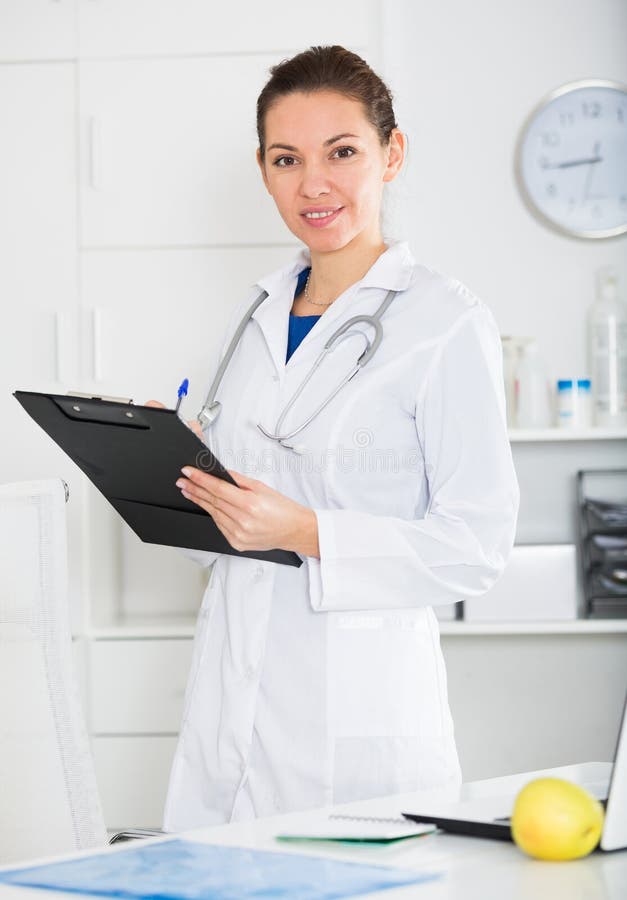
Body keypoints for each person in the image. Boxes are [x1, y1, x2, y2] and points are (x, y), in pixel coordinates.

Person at [159, 45, 519, 831]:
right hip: (230, 712)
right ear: (261, 169)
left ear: (391, 155)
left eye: (342, 152)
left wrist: (308, 533)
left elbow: (475, 546)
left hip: (358, 726)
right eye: (286, 159)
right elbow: (221, 534)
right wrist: (172, 476)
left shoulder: (443, 322)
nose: (313, 183)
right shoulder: (251, 318)